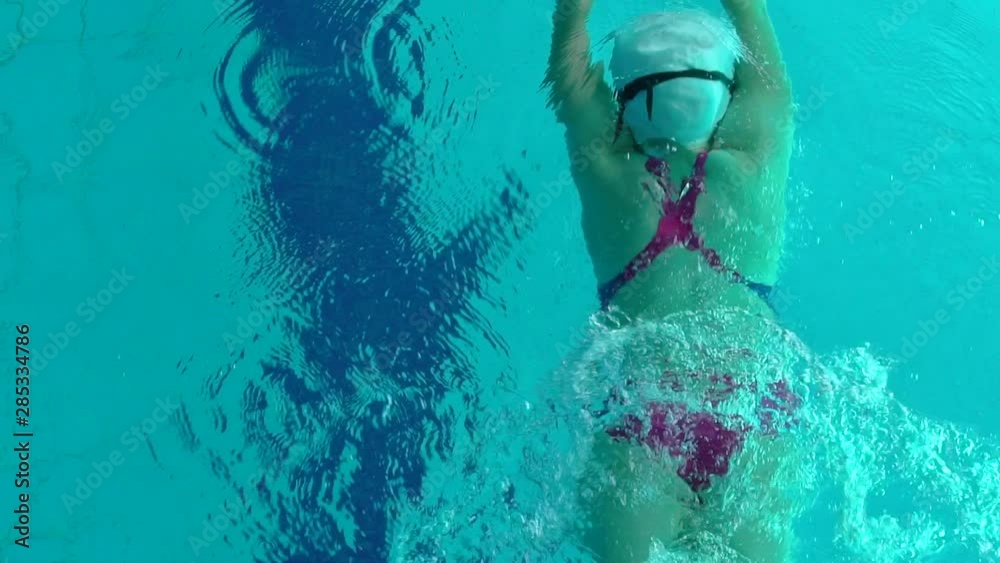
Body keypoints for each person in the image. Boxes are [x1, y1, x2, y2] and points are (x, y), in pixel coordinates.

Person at [546, 1, 798, 561]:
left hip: (640, 421)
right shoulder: (757, 162)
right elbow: (771, 82)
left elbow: (569, 83)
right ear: (722, 96)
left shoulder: (608, 175)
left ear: (627, 103)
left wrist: (574, 11)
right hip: (755, 415)